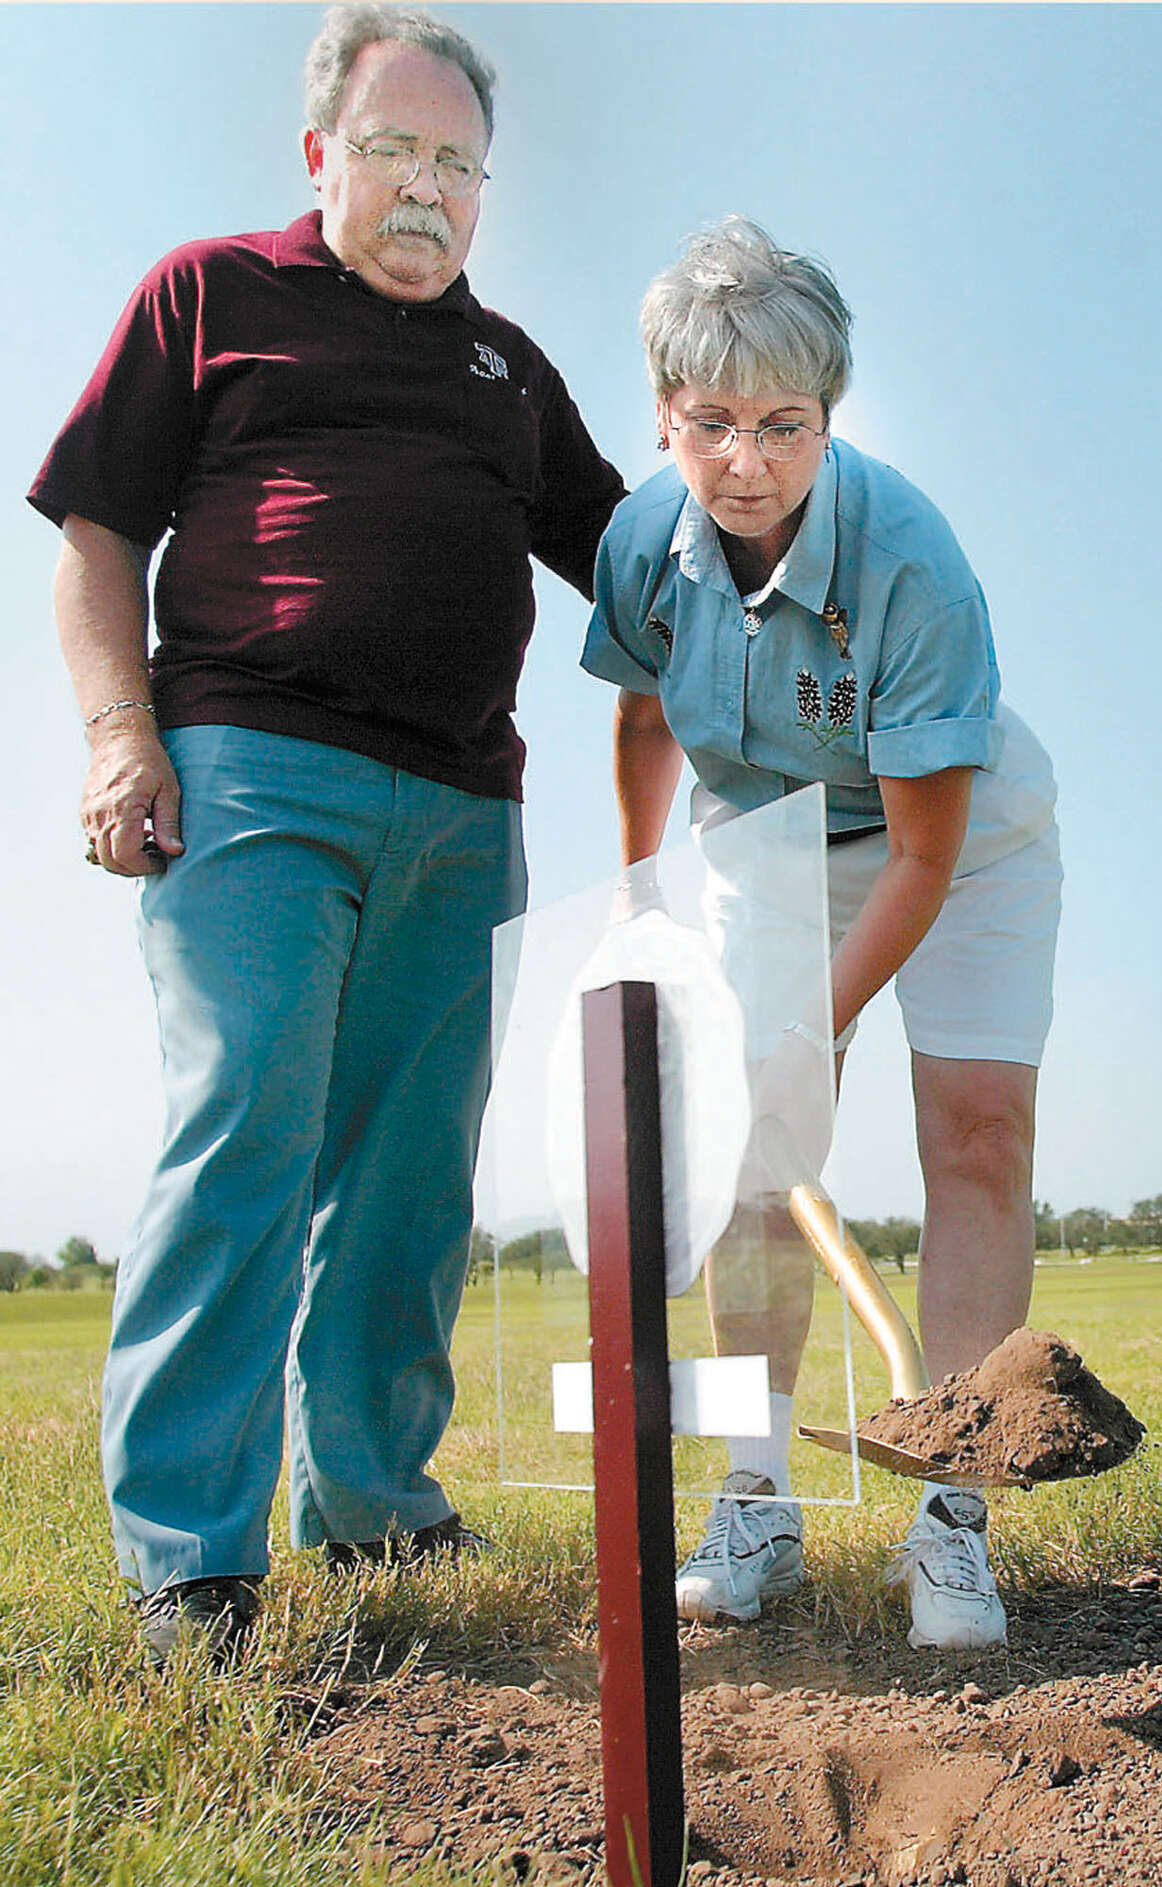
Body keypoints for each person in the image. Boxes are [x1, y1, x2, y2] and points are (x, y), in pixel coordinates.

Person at [27, 3, 623, 1666]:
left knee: (413, 1172)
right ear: (320, 155)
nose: (426, 188)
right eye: (393, 150)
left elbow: (629, 564)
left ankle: (370, 1504)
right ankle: (188, 1566)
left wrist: (781, 529)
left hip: (463, 809)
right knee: (250, 1119)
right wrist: (114, 739)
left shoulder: (511, 369)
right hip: (251, 771)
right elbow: (96, 540)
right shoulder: (207, 293)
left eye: (458, 163)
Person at [581, 217, 1061, 1652]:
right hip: (768, 844)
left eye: (784, 425)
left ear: (829, 417)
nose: (746, 461)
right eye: (712, 422)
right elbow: (648, 710)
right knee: (752, 1166)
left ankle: (952, 1520)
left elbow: (923, 852)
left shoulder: (910, 562)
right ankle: (757, 1507)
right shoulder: (639, 544)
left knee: (976, 1135)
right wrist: (635, 885)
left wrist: (816, 1016)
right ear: (666, 411)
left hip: (957, 839)